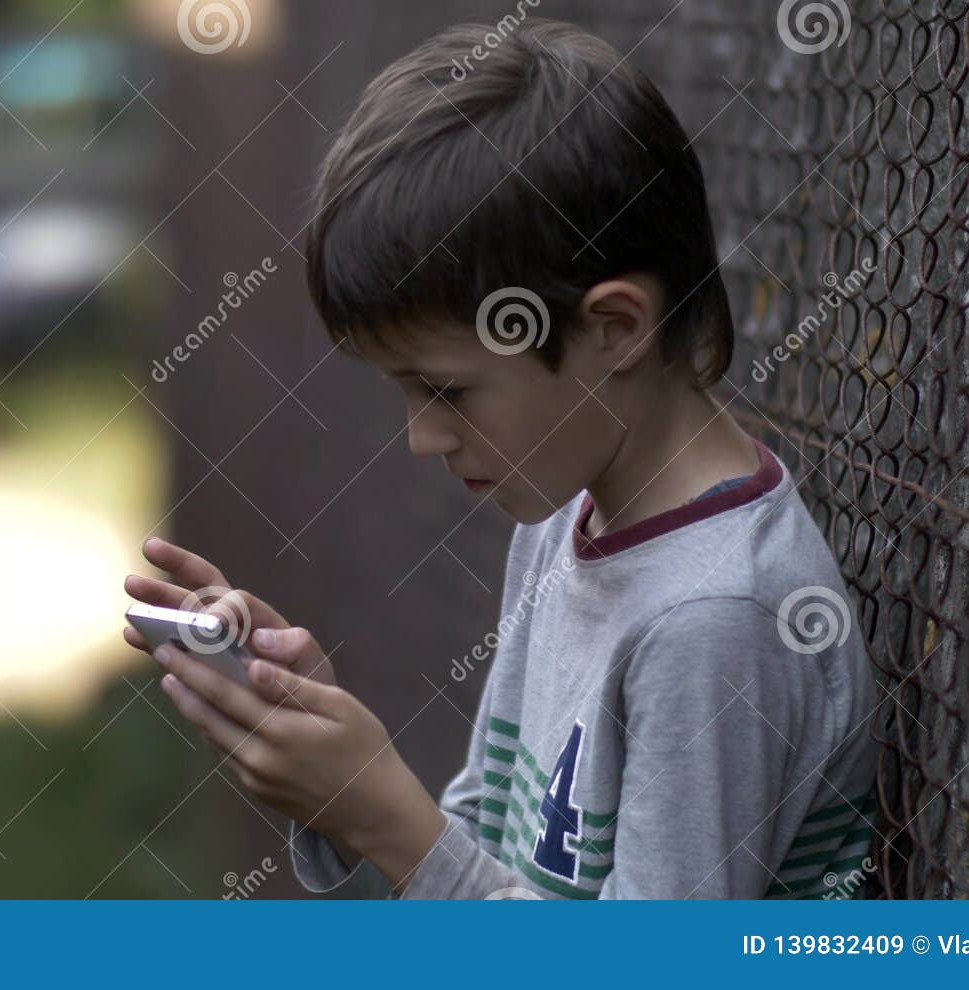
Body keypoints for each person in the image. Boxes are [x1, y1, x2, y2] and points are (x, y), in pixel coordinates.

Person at [122, 19, 880, 899]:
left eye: (447, 390)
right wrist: (333, 768)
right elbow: (491, 842)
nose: (420, 437)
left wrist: (385, 817)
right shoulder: (569, 519)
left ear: (613, 328)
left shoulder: (712, 621)